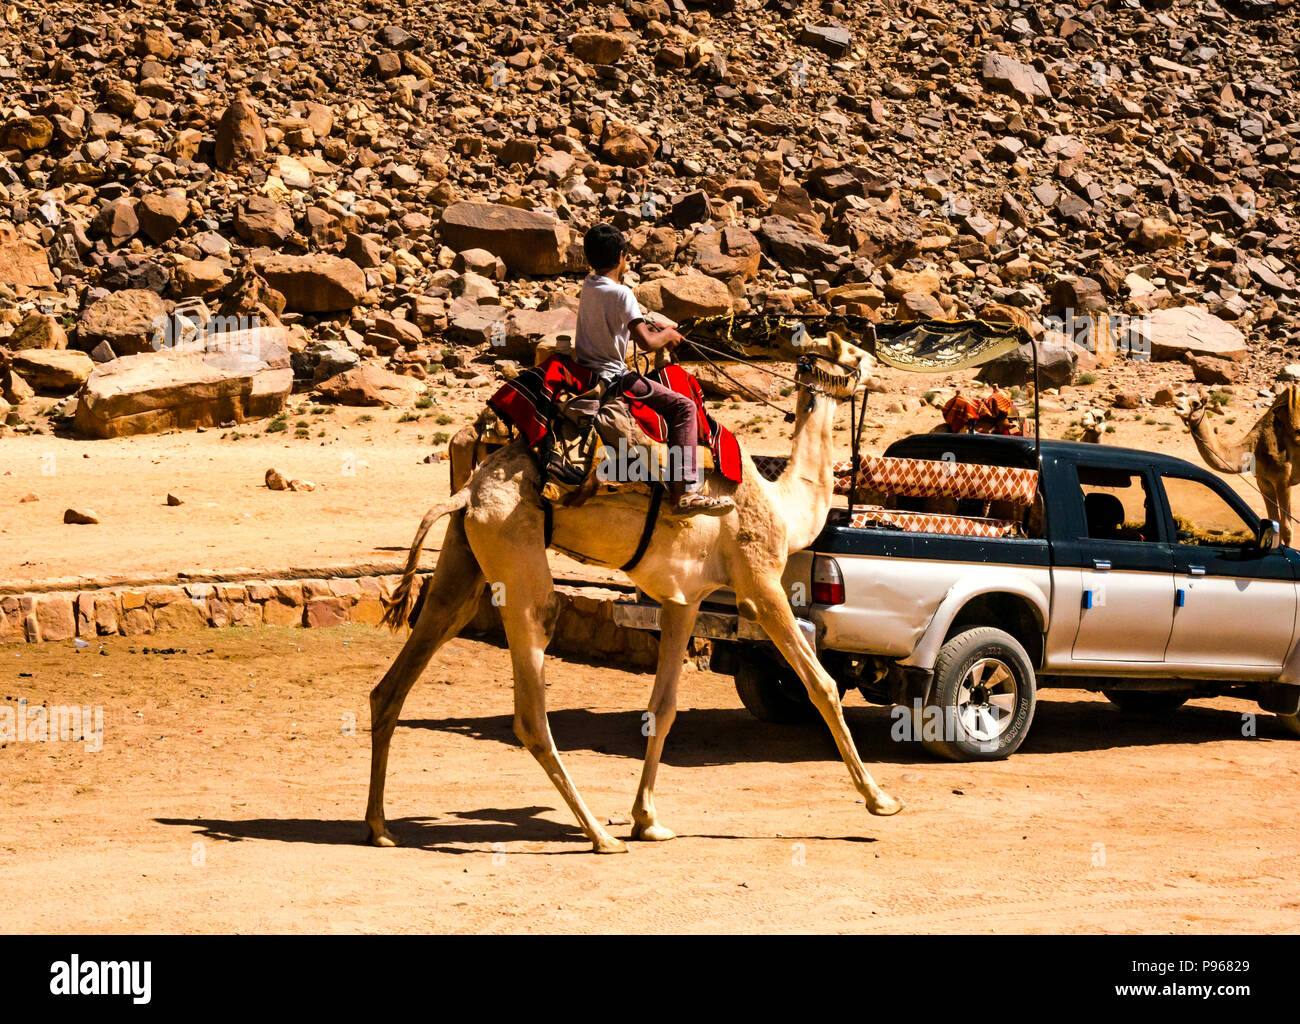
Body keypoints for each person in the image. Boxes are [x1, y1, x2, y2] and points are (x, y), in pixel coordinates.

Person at [572, 223, 733, 516]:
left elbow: (618, 322)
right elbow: (646, 343)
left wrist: (647, 323)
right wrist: (669, 336)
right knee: (683, 407)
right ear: (622, 256)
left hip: (584, 370)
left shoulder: (588, 284)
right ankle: (686, 491)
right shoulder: (622, 294)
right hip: (613, 377)